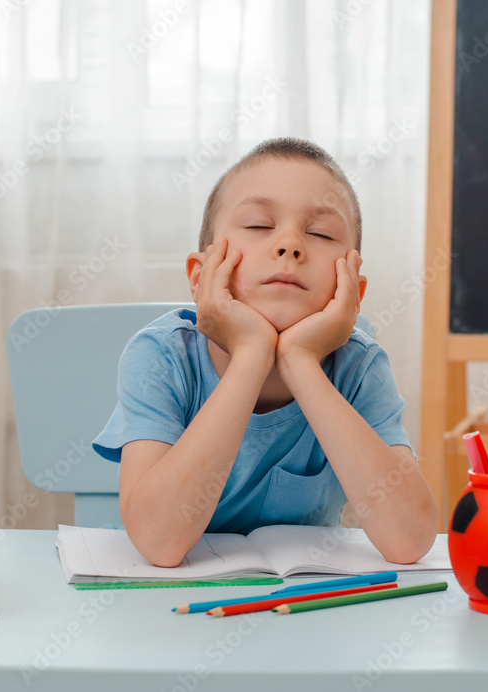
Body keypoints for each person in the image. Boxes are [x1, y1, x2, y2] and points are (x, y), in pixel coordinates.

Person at [92, 137, 438, 567]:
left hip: (301, 603)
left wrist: (300, 361)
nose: (290, 245)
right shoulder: (160, 357)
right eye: (258, 225)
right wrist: (253, 354)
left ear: (353, 292)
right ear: (200, 277)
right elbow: (159, 543)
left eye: (320, 233)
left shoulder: (360, 368)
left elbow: (410, 540)